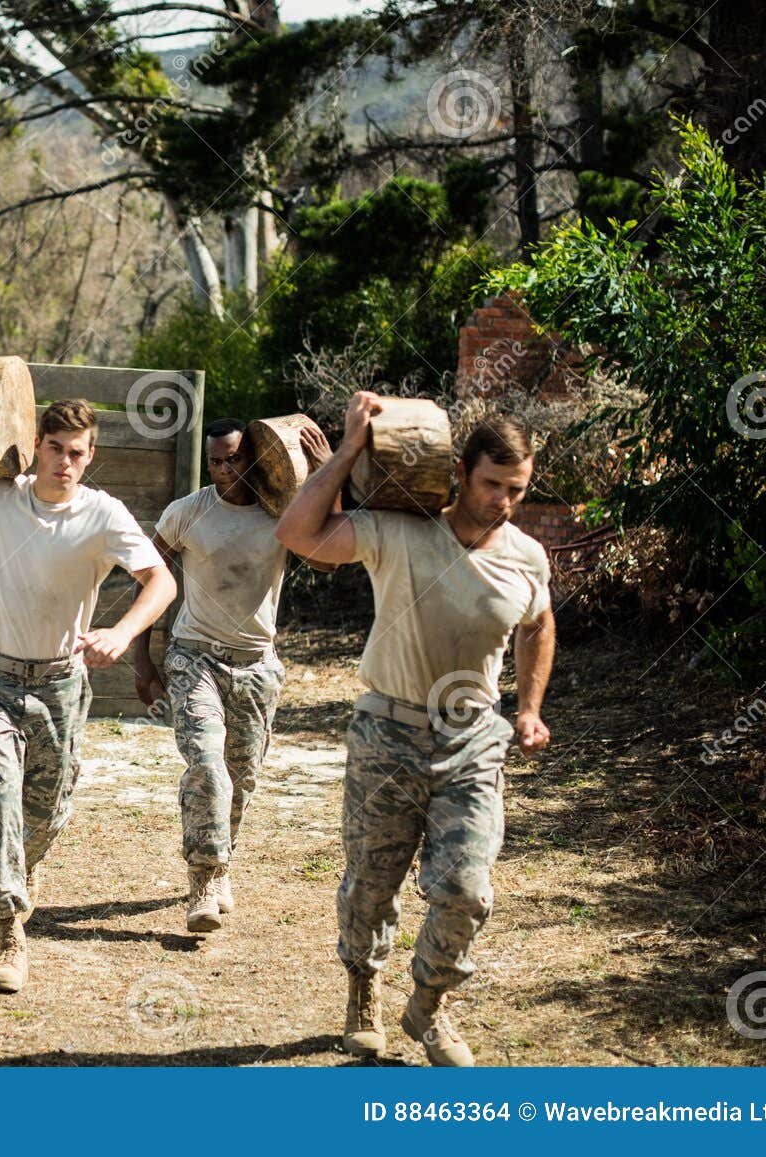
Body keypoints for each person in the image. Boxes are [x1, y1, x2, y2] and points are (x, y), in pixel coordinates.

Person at [276, 394, 555, 1066]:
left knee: (465, 889)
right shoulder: (397, 530)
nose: (503, 501)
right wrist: (346, 450)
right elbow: (298, 532)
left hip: (472, 739)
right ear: (461, 470)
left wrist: (529, 707)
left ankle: (429, 1005)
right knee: (372, 884)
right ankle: (363, 987)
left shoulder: (526, 556)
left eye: (516, 489)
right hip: (387, 732)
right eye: (492, 484)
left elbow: (539, 626)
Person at [0, 361, 177, 994]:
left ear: (90, 455)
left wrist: (123, 632)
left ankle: (23, 864)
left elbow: (162, 580)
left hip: (61, 685)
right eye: (54, 449)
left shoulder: (105, 516)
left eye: (77, 453)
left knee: (45, 813)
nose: (64, 463)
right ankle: (8, 932)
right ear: (37, 445)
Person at [134, 418, 326, 933]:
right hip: (194, 656)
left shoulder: (281, 514)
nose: (222, 469)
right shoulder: (187, 513)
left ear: (254, 458)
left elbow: (329, 560)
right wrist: (142, 656)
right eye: (214, 460)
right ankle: (204, 877)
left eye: (233, 459)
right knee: (206, 762)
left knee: (241, 778)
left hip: (257, 665)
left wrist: (325, 472)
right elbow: (151, 578)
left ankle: (223, 859)